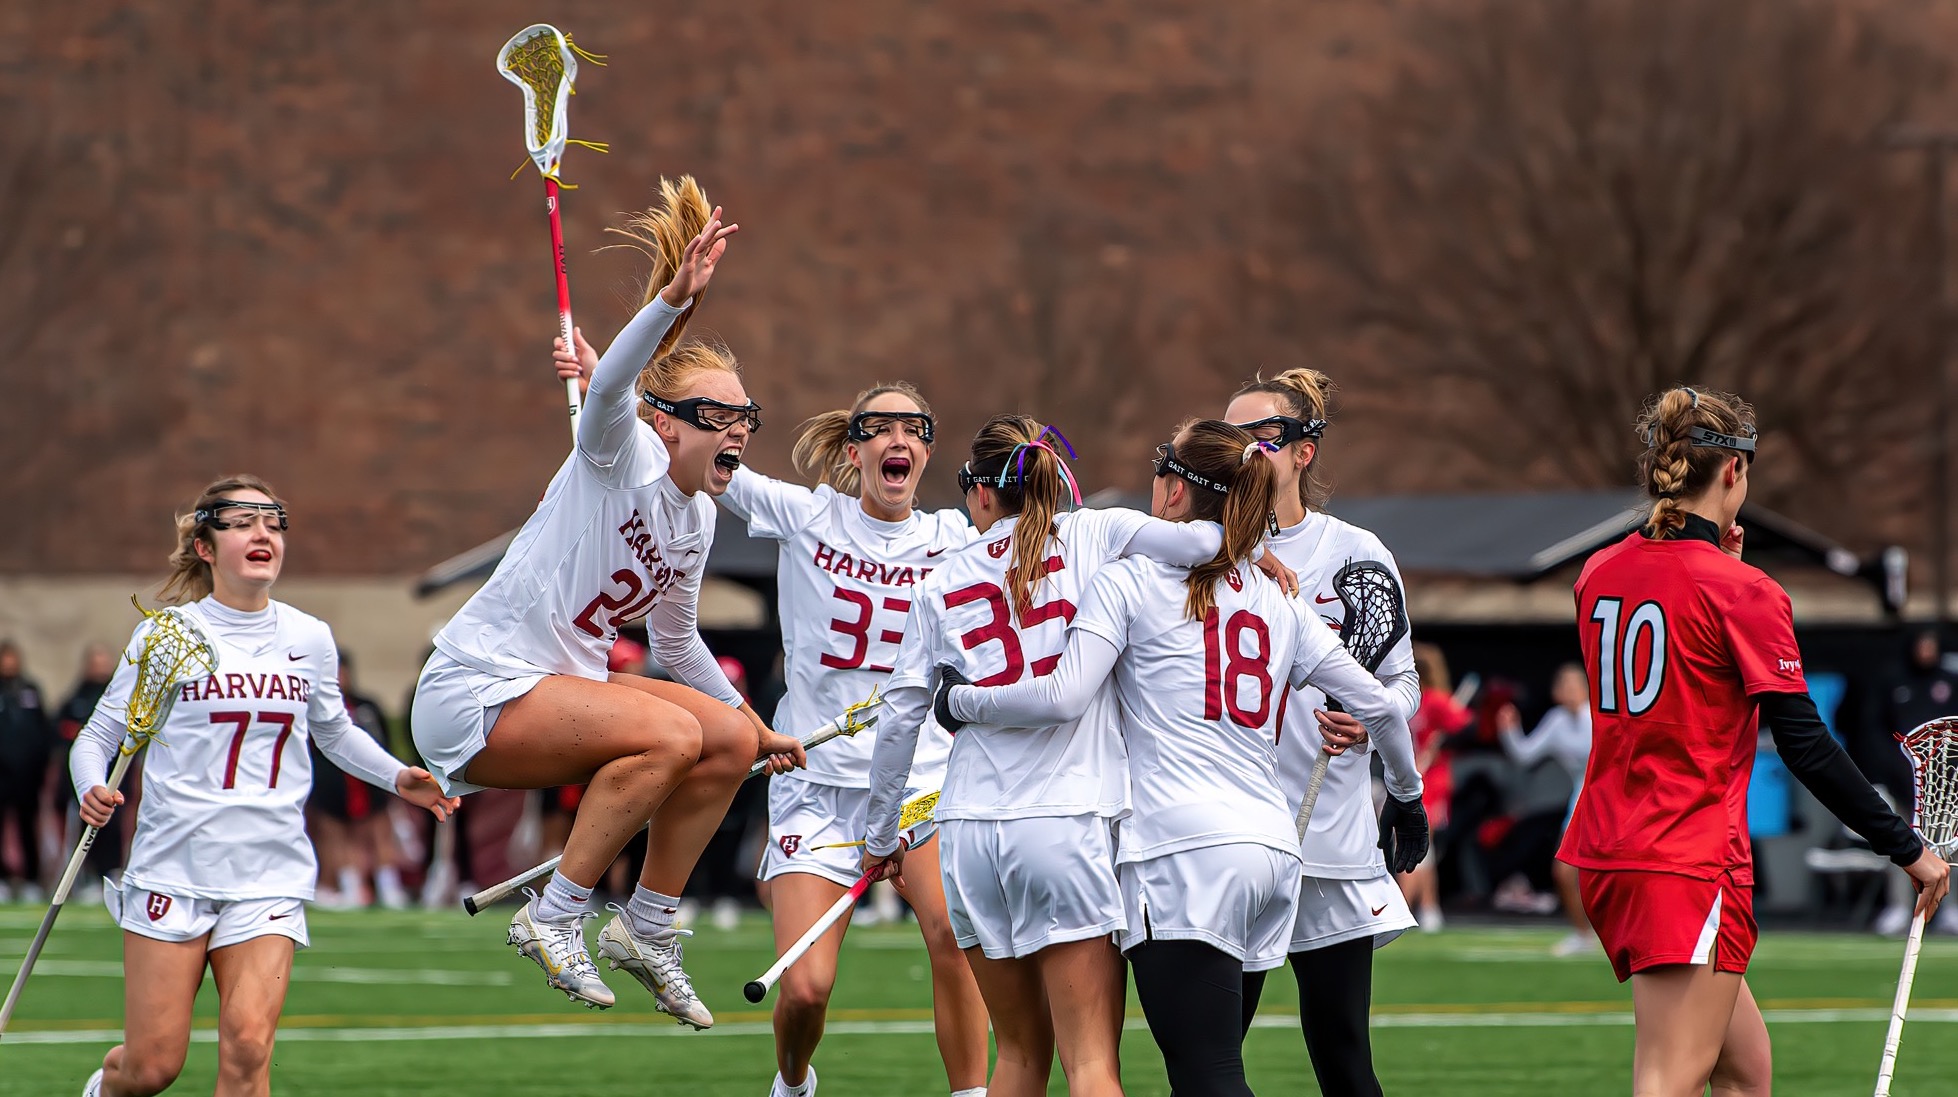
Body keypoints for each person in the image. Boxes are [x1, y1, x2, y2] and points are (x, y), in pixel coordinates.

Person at [924, 419, 1425, 1097]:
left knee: (1207, 1074)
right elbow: (1386, 708)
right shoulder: (1279, 600)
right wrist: (1408, 796)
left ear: (1175, 490)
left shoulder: (1129, 581)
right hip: (1272, 850)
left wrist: (961, 702)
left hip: (1179, 854)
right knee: (1231, 1065)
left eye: (1162, 465)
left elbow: (1064, 694)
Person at [411, 179, 806, 1024]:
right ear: (665, 424)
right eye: (718, 414)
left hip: (560, 691)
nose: (738, 429)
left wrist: (757, 721)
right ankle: (555, 915)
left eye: (748, 416)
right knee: (672, 733)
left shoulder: (698, 518)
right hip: (477, 689)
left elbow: (678, 641)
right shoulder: (617, 454)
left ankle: (647, 927)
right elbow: (614, 383)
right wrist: (674, 300)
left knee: (726, 739)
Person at [557, 345, 990, 1096]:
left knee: (954, 936)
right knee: (806, 989)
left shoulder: (955, 536)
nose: (898, 439)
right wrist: (611, 387)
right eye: (879, 428)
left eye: (914, 428)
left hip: (921, 785)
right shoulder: (807, 514)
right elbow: (703, 457)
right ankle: (793, 1083)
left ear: (925, 451)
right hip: (817, 786)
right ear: (853, 451)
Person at [860, 414, 1293, 1097]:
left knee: (1016, 1059)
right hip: (1066, 825)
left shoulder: (936, 583)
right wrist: (1253, 549)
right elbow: (1206, 537)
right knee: (1089, 1065)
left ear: (981, 492)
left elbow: (897, 723)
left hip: (967, 832)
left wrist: (880, 835)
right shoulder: (1097, 531)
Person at [1558, 386, 1950, 1097]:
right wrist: (1905, 847)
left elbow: (1671, 627)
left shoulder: (1598, 571)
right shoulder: (1743, 591)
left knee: (1744, 1071)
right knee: (1669, 1077)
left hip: (1613, 849)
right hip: (1687, 856)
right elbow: (1805, 744)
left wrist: (1717, 558)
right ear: (1734, 471)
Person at [69, 476, 458, 1097]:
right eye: (243, 522)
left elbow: (334, 731)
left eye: (273, 523)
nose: (263, 534)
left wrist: (397, 776)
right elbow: (96, 737)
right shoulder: (166, 636)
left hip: (269, 871)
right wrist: (91, 786)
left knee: (249, 1048)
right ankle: (105, 1087)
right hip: (173, 866)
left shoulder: (309, 637)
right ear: (205, 547)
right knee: (151, 1068)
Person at [1223, 369, 1425, 1096]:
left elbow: (1402, 686)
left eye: (1261, 436)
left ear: (1303, 451)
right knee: (1210, 1057)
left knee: (1342, 1056)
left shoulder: (1355, 552)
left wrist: (1371, 722)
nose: (1244, 451)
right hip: (1228, 832)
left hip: (1328, 835)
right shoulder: (1195, 552)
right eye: (1229, 438)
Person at [1496, 663, 1594, 955]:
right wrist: (1509, 729)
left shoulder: (1598, 716)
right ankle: (1583, 935)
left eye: (1574, 684)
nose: (1568, 690)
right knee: (1563, 871)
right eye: (1562, 685)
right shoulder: (1556, 720)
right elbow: (1525, 754)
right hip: (1580, 800)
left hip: (1612, 800)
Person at [1399, 643, 1471, 931]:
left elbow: (1466, 728)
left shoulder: (1437, 701)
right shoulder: (1411, 701)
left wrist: (1443, 743)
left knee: (1416, 843)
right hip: (1413, 777)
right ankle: (1429, 907)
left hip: (1433, 783)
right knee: (1422, 848)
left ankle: (1407, 906)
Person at [55, 644, 124, 895]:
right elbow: (68, 733)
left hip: (118, 774)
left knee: (114, 825)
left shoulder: (120, 690)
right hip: (87, 777)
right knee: (86, 822)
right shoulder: (76, 698)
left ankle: (111, 871)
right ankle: (85, 876)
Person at [0, 639, 54, 902]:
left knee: (28, 825)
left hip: (27, 774)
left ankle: (32, 879)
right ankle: (2, 879)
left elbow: (43, 730)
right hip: (1, 773)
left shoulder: (30, 690)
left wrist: (40, 762)